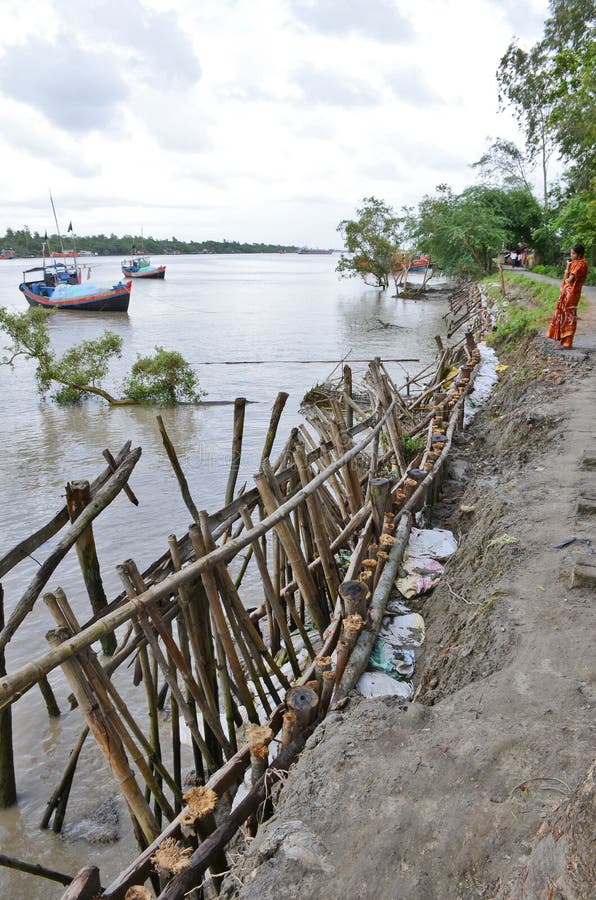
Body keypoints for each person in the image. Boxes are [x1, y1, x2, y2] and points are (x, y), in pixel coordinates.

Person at [546, 243, 589, 348]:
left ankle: (567, 343)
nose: (571, 255)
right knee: (562, 314)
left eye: (573, 253)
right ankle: (562, 340)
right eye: (571, 253)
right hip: (567, 292)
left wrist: (567, 270)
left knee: (569, 316)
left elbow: (569, 280)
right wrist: (568, 267)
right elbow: (567, 279)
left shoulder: (581, 264)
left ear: (579, 254)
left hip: (573, 294)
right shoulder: (574, 263)